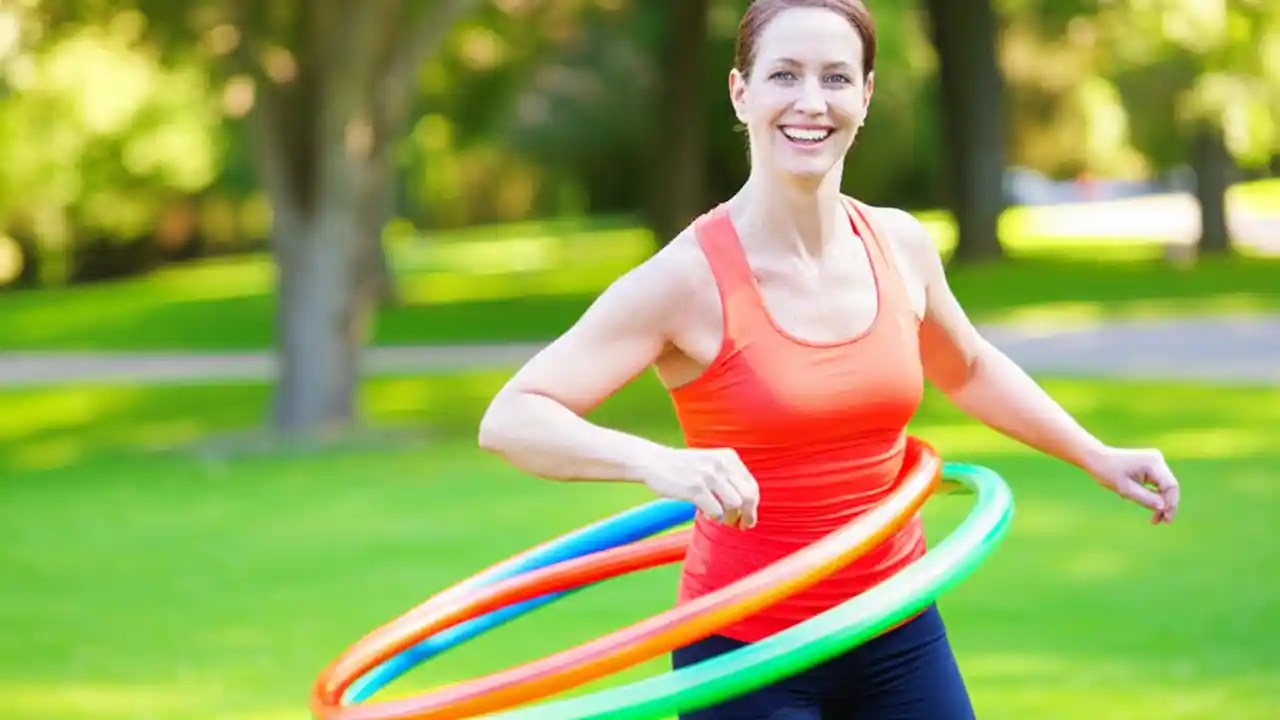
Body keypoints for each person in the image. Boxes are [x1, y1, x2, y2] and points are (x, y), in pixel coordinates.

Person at [477, 0, 1181, 717]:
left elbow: (966, 368)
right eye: (784, 75)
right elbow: (512, 419)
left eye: (836, 78)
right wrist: (662, 464)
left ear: (866, 96)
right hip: (747, 651)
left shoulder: (900, 245)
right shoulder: (686, 279)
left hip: (895, 626)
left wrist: (1096, 453)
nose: (811, 102)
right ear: (740, 93)